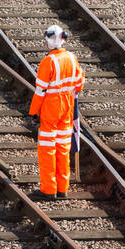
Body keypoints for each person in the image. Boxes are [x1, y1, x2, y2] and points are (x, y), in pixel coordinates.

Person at [29, 23, 84, 199]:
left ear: (48, 43)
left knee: (47, 149)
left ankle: (48, 189)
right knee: (63, 147)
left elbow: (40, 91)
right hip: (67, 107)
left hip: (51, 108)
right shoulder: (72, 57)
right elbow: (79, 84)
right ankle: (62, 187)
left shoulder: (48, 61)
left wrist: (33, 112)